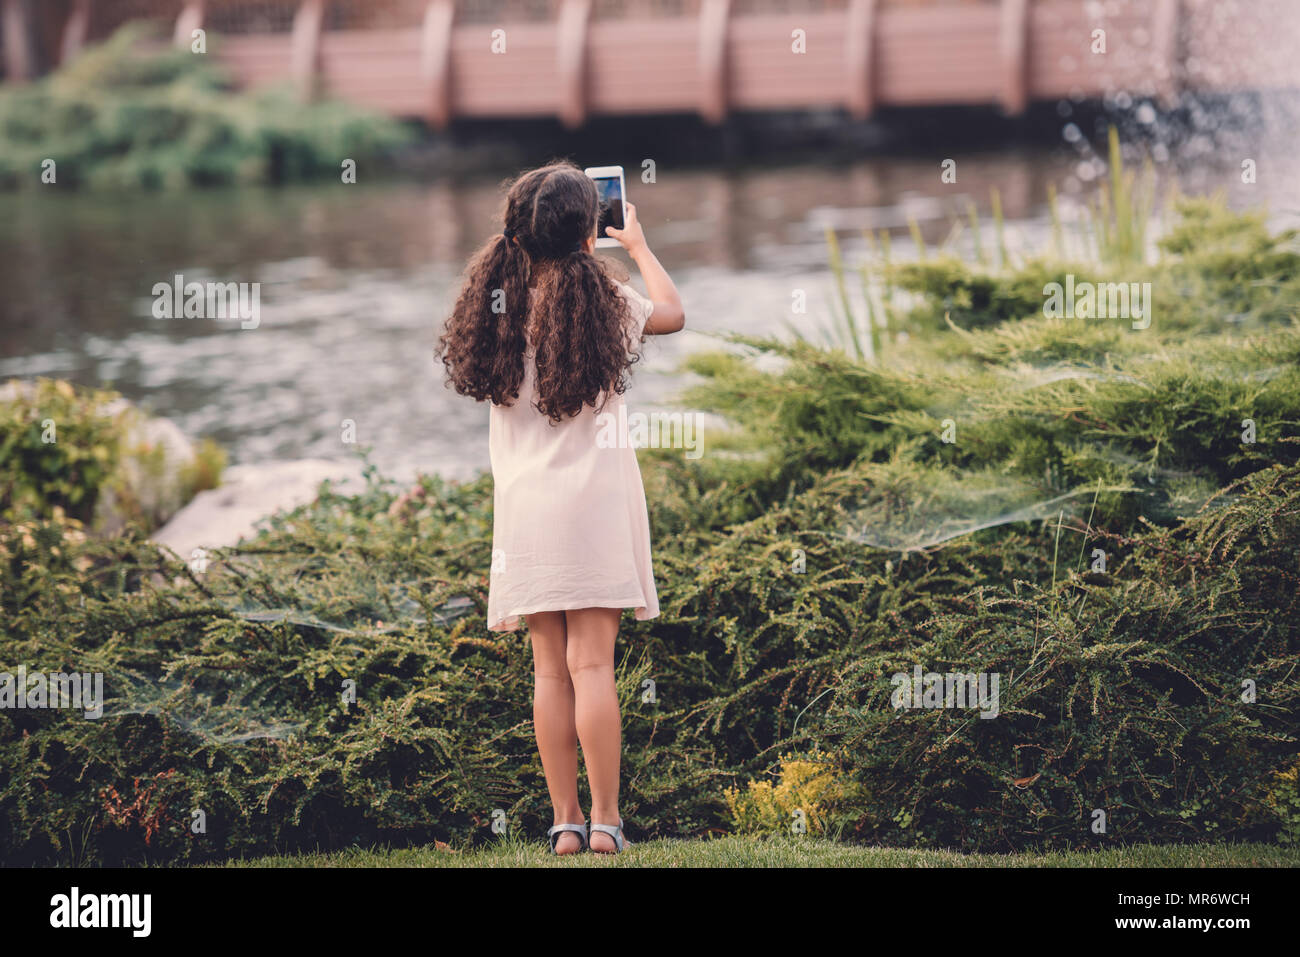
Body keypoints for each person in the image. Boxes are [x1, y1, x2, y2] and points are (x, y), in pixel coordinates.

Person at [435, 161, 685, 854]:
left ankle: (565, 823)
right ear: (587, 236)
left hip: (527, 513)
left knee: (548, 670)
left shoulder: (492, 311)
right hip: (595, 507)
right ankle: (607, 822)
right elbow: (674, 311)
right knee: (593, 666)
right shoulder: (604, 299)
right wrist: (634, 246)